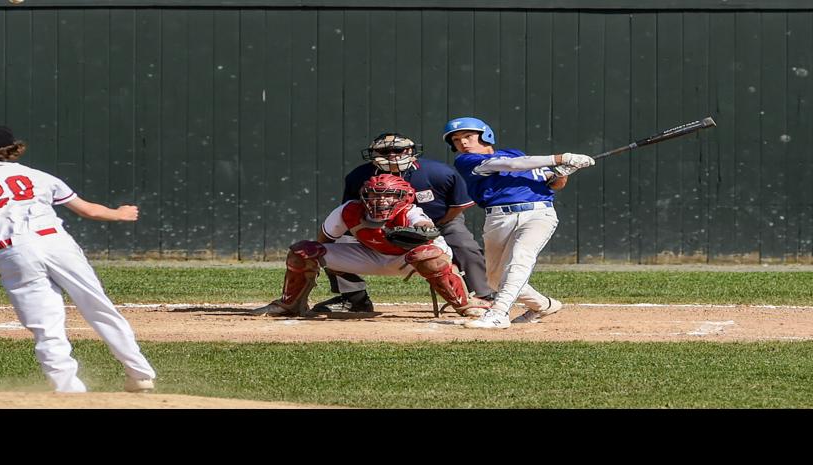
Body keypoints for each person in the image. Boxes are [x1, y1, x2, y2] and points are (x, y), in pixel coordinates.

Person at [0, 125, 157, 394]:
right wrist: (119, 213)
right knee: (98, 307)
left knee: (47, 325)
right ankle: (140, 374)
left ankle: (70, 390)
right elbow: (88, 210)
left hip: (13, 250)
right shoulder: (35, 175)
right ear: (12, 149)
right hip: (57, 242)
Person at [248, 173, 487, 320]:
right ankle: (291, 303)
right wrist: (323, 262)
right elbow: (322, 241)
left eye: (388, 196)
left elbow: (425, 226)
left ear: (403, 198)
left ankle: (464, 305)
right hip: (371, 254)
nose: (380, 201)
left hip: (408, 259)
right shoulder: (349, 210)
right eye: (374, 196)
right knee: (302, 251)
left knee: (428, 255)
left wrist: (422, 231)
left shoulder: (411, 212)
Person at [311, 131, 496, 315]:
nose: (392, 155)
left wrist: (435, 227)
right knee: (338, 242)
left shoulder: (438, 172)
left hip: (440, 220)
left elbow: (458, 204)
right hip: (381, 225)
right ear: (373, 154)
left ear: (410, 151)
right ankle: (353, 298)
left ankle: (484, 296)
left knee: (464, 245)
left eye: (398, 150)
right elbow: (354, 211)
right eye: (385, 152)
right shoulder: (359, 176)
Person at [443, 117, 596, 329]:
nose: (463, 143)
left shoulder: (515, 153)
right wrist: (562, 157)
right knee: (495, 279)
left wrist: (562, 172)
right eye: (457, 140)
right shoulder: (466, 161)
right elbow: (513, 166)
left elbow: (552, 183)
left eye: (468, 136)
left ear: (485, 135)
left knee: (519, 259)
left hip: (538, 214)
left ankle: (498, 313)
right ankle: (544, 305)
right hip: (498, 217)